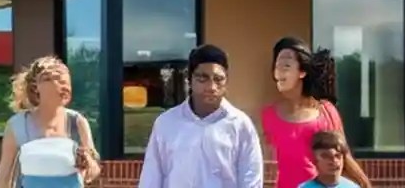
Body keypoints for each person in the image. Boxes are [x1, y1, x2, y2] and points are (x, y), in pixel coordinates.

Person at [138, 44, 264, 188]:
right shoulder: (166, 123)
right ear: (190, 80)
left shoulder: (240, 125)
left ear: (227, 81)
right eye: (203, 78)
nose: (211, 87)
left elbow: (251, 180)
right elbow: (151, 179)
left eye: (218, 79)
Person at [260, 37, 371, 188]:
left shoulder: (326, 111)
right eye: (276, 66)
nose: (279, 71)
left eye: (286, 65)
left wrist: (365, 184)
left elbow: (344, 156)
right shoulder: (268, 116)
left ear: (302, 72)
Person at [0, 55, 100, 188]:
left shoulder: (77, 121)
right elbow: (3, 176)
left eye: (66, 82)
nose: (65, 87)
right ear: (37, 86)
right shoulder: (17, 125)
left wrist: (89, 164)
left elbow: (94, 169)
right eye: (58, 81)